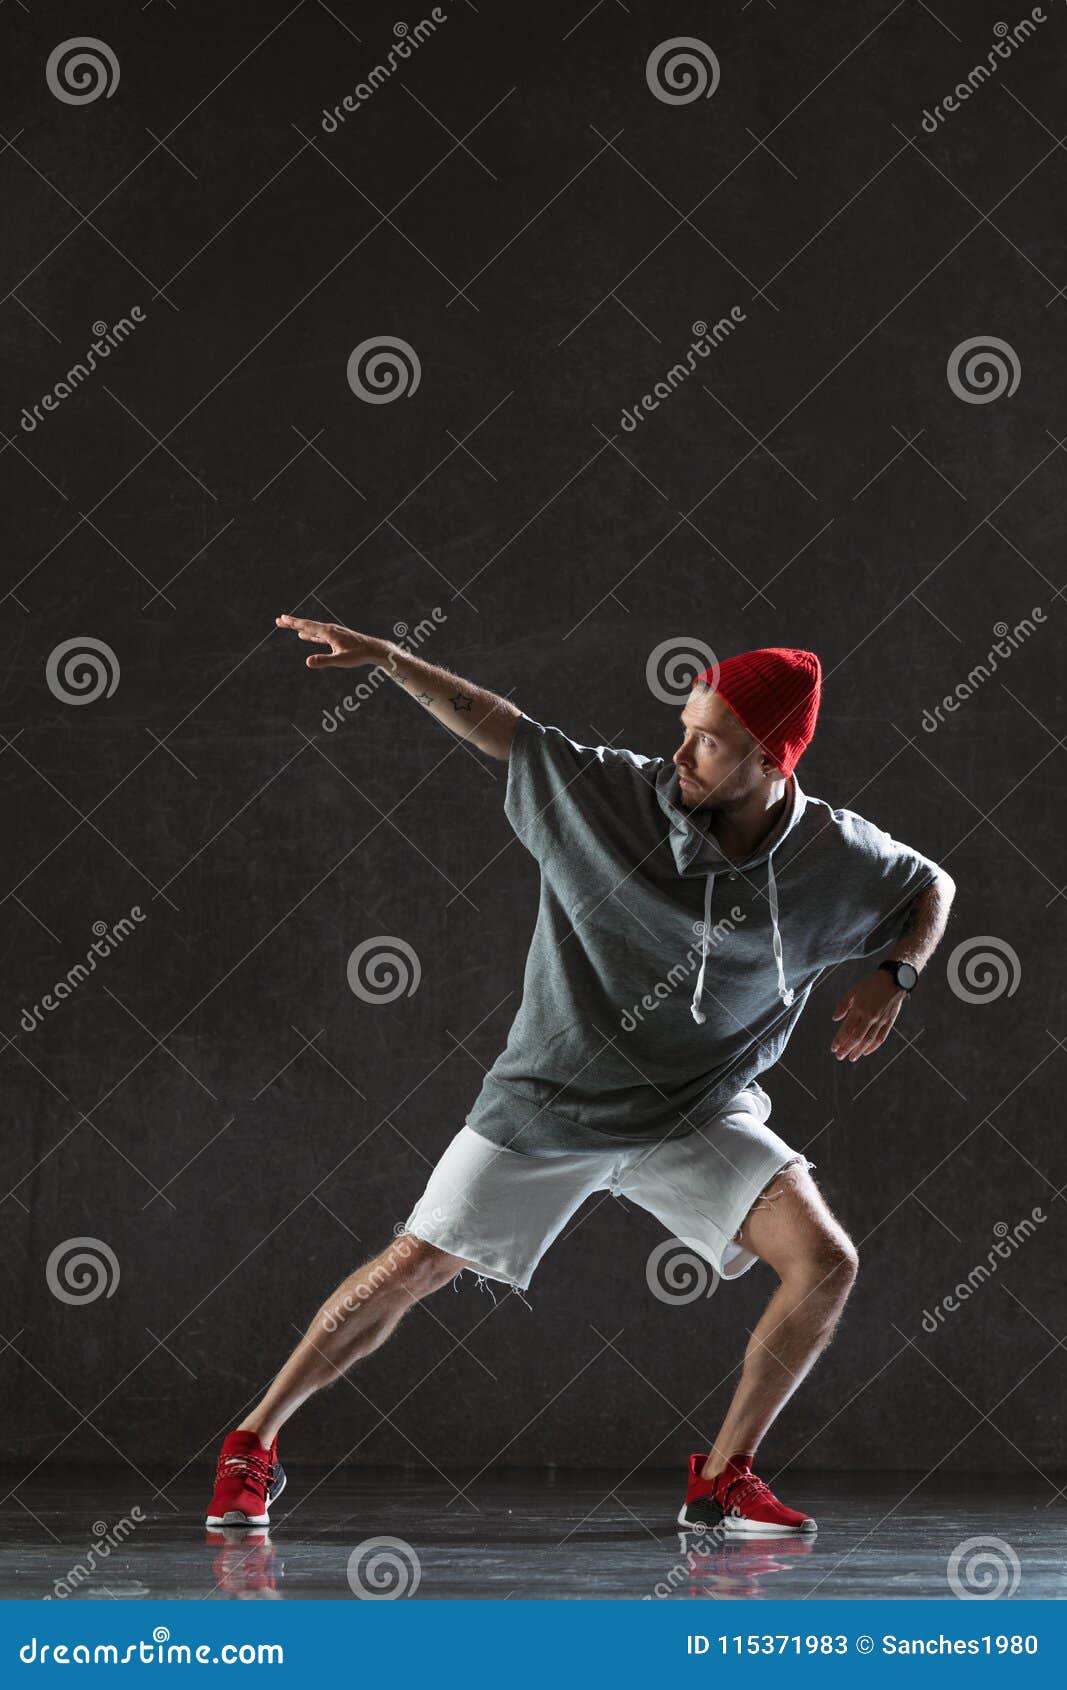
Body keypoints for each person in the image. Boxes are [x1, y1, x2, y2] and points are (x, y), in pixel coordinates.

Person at [206, 624, 956, 1536]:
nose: (679, 751)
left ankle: (721, 1479)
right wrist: (397, 664)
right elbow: (502, 726)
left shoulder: (832, 854)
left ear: (768, 759)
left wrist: (898, 976)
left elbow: (932, 887)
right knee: (412, 1266)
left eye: (707, 740)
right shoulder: (613, 796)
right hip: (550, 1100)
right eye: (683, 726)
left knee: (825, 1262)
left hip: (694, 1111)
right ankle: (251, 1445)